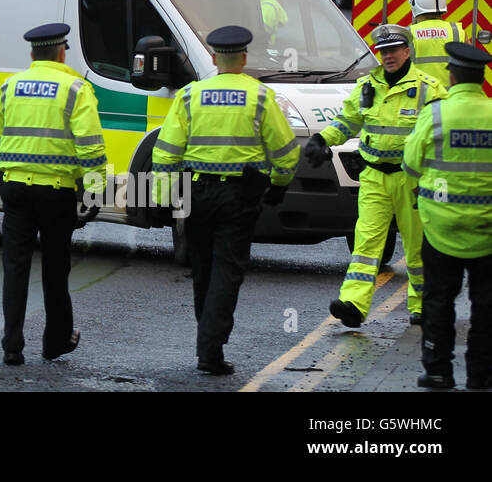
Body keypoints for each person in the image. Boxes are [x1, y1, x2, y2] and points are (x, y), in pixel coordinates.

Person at [152, 25, 298, 374]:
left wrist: (161, 197)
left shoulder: (190, 96)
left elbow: (167, 151)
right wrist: (278, 184)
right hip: (239, 196)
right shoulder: (261, 96)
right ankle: (211, 349)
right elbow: (286, 151)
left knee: (202, 268)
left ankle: (207, 339)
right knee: (227, 270)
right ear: (244, 58)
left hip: (197, 193)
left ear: (215, 58)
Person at [305, 23, 445, 328]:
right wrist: (322, 139)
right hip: (374, 177)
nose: (388, 56)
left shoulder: (428, 89)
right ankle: (354, 304)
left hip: (413, 181)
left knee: (417, 246)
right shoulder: (368, 85)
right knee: (366, 244)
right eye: (383, 51)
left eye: (394, 50)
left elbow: (441, 134)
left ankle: (422, 305)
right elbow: (347, 121)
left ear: (407, 51)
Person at [0, 22, 106, 366]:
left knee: (15, 267)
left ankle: (11, 345)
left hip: (16, 190)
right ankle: (55, 342)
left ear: (32, 53)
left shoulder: (9, 87)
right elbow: (90, 148)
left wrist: (13, 166)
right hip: (57, 194)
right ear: (62, 51)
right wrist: (93, 193)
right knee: (55, 268)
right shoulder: (75, 89)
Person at [403, 41, 492, 390]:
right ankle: (481, 375)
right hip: (487, 230)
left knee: (438, 300)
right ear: (483, 78)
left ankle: (438, 372)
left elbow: (410, 164)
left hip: (440, 228)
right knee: (486, 305)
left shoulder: (435, 114)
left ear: (452, 76)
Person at [408, 0, 467, 89]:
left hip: (419, 98)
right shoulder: (457, 31)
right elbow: (469, 67)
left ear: (414, 5)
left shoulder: (409, 33)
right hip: (450, 99)